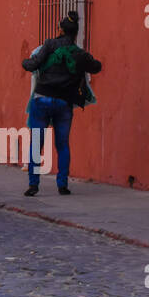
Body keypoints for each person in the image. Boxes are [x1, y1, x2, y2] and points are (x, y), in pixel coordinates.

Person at [21, 11, 102, 196]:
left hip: (42, 98)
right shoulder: (80, 54)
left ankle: (33, 185)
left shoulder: (49, 44)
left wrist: (25, 62)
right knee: (62, 144)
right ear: (76, 33)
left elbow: (31, 65)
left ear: (60, 30)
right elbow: (97, 67)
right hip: (64, 103)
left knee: (36, 143)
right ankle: (62, 185)